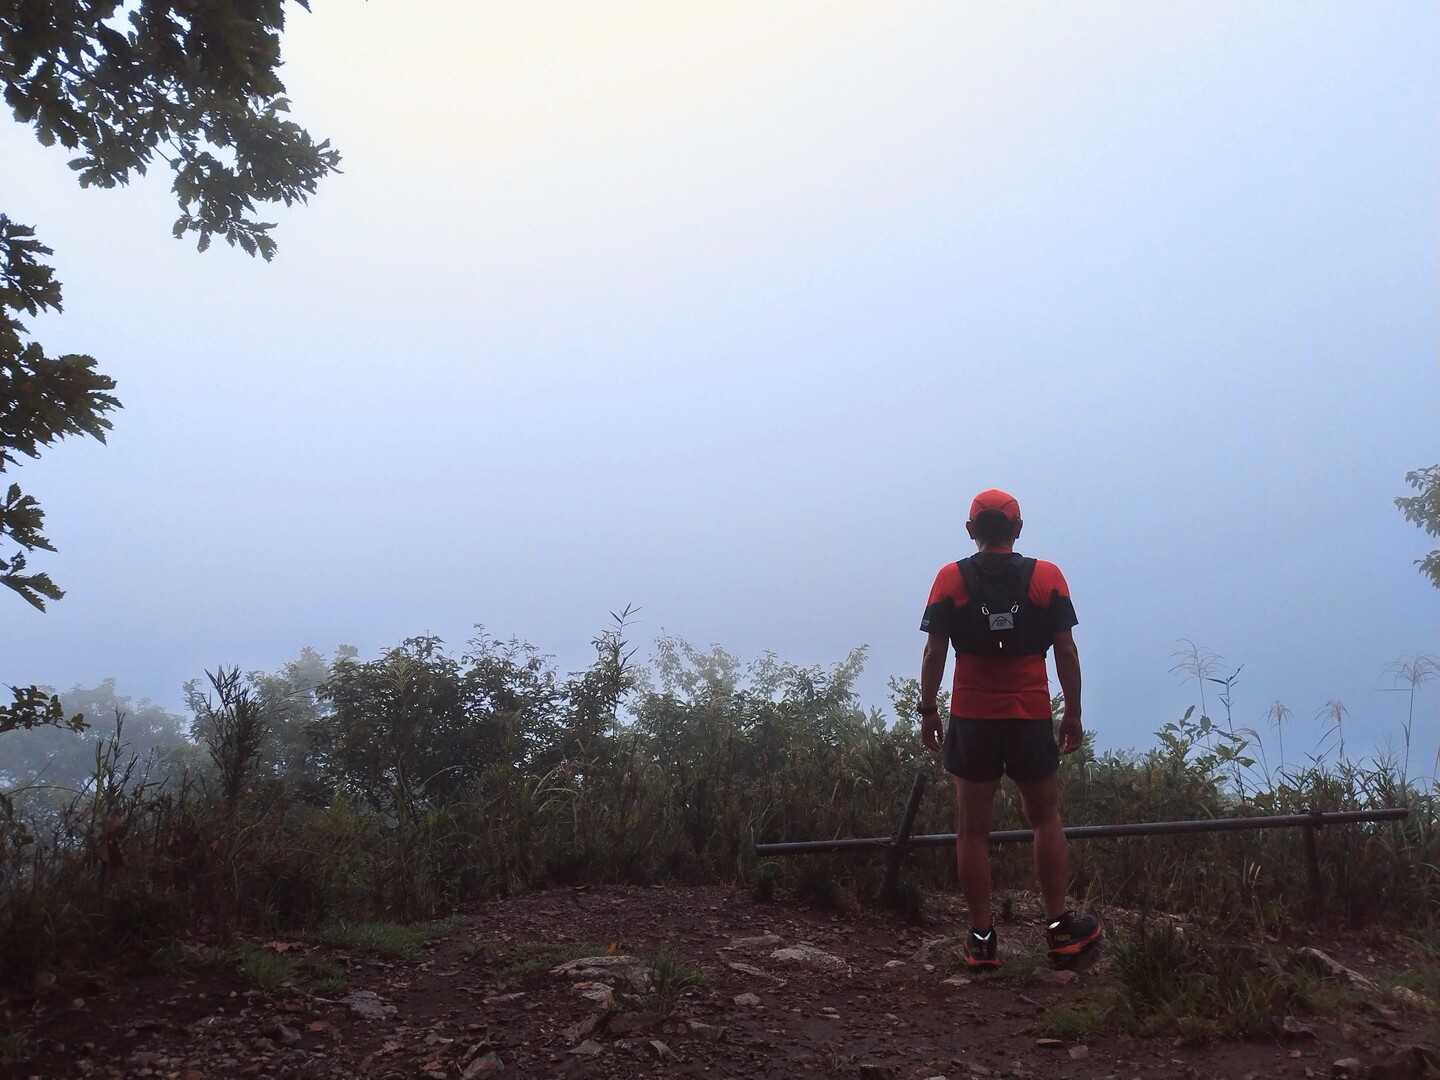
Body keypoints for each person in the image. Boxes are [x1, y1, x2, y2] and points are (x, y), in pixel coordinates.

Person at [917, 489, 1102, 968]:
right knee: (1044, 818)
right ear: (1017, 529)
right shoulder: (1046, 576)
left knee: (972, 830)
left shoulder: (949, 579)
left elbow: (935, 652)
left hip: (973, 717)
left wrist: (928, 709)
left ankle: (981, 940)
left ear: (970, 530)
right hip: (1029, 715)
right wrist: (1074, 711)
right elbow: (1066, 651)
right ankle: (1061, 931)